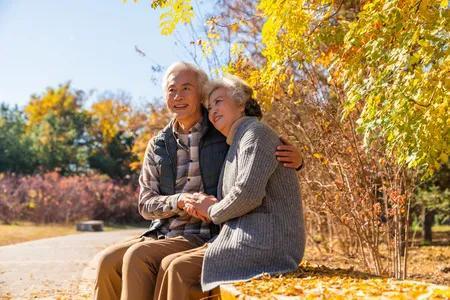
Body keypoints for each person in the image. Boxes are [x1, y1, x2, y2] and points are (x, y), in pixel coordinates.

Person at [94, 62, 303, 300]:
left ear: (200, 94)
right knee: (107, 262)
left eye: (186, 88)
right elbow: (145, 203)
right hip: (163, 232)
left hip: (206, 231)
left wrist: (296, 159)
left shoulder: (222, 131)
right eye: (172, 90)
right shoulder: (159, 145)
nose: (178, 96)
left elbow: (259, 155)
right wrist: (179, 201)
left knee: (139, 258)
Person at [153, 74, 306, 300]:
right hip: (244, 238)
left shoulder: (255, 134)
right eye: (209, 105)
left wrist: (211, 210)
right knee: (169, 264)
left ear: (241, 104)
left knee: (179, 269)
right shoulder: (236, 142)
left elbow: (248, 194)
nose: (212, 110)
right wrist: (202, 205)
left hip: (269, 243)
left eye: (218, 101)